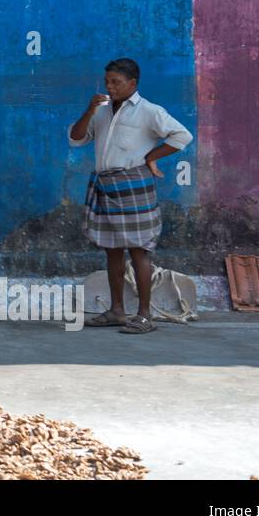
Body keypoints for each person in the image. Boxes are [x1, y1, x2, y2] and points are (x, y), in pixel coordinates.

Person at [68, 58, 193, 333]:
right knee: (112, 250)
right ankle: (116, 311)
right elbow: (76, 139)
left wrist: (152, 156)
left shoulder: (149, 111)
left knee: (139, 250)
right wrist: (89, 110)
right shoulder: (100, 111)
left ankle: (145, 315)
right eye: (107, 82)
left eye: (116, 82)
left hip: (133, 183)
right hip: (105, 184)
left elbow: (182, 136)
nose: (110, 87)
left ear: (132, 84)